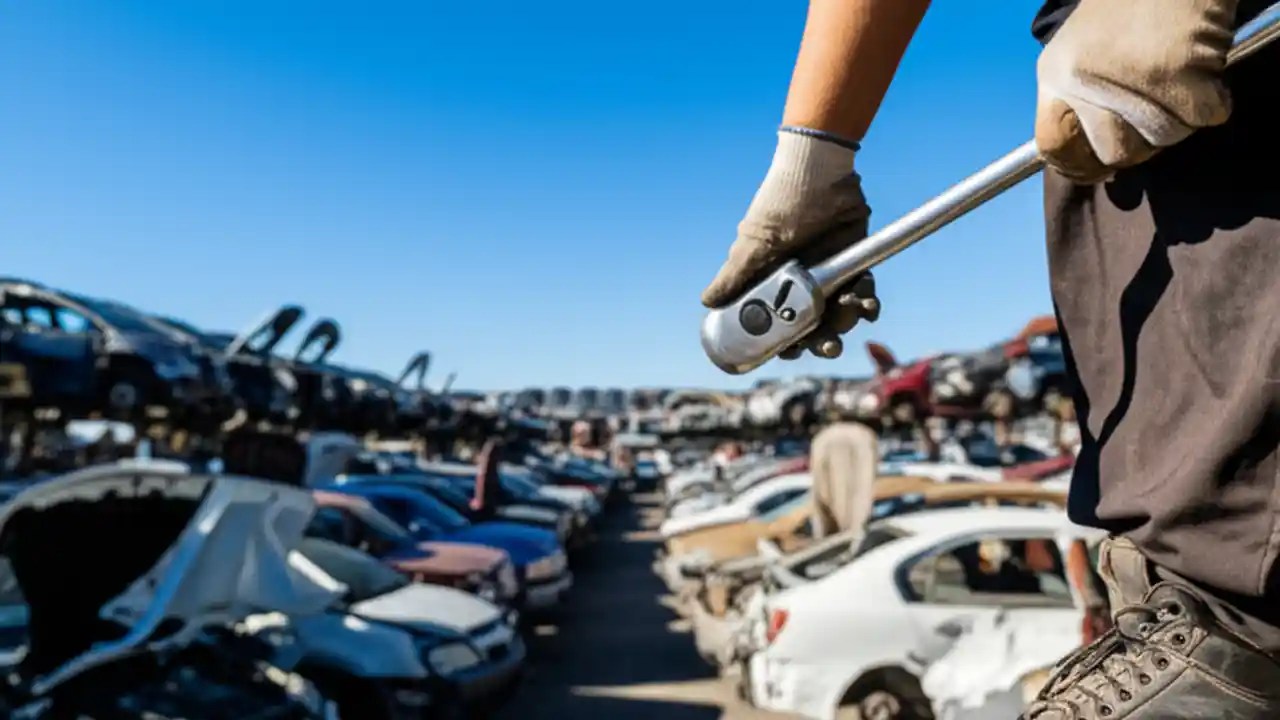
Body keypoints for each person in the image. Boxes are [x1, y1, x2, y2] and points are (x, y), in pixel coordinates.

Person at [700, 0, 1280, 716]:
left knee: (1238, 549)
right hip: (1108, 91)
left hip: (1228, 68)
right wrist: (811, 160)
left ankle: (1232, 646)